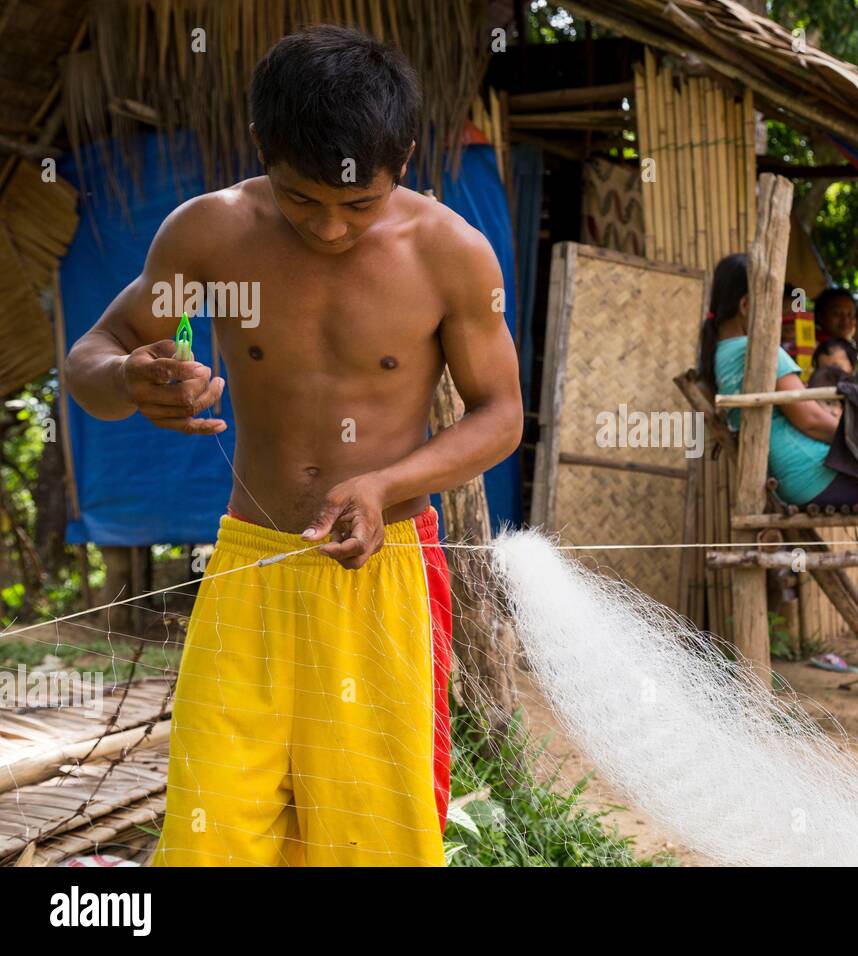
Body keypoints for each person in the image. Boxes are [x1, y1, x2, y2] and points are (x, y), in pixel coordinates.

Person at [65, 26, 523, 865]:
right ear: (261, 150)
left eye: (360, 204)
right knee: (215, 833)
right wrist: (131, 375)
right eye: (303, 199)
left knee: (374, 843)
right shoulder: (210, 234)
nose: (333, 228)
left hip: (382, 579)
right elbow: (88, 358)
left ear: (407, 157)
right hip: (248, 568)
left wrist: (385, 484)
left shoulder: (450, 254)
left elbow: (501, 415)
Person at [700, 254, 858, 642]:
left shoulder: (722, 353)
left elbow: (803, 414)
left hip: (791, 472)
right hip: (811, 472)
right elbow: (809, 418)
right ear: (746, 305)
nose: (783, 312)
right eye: (773, 301)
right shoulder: (761, 351)